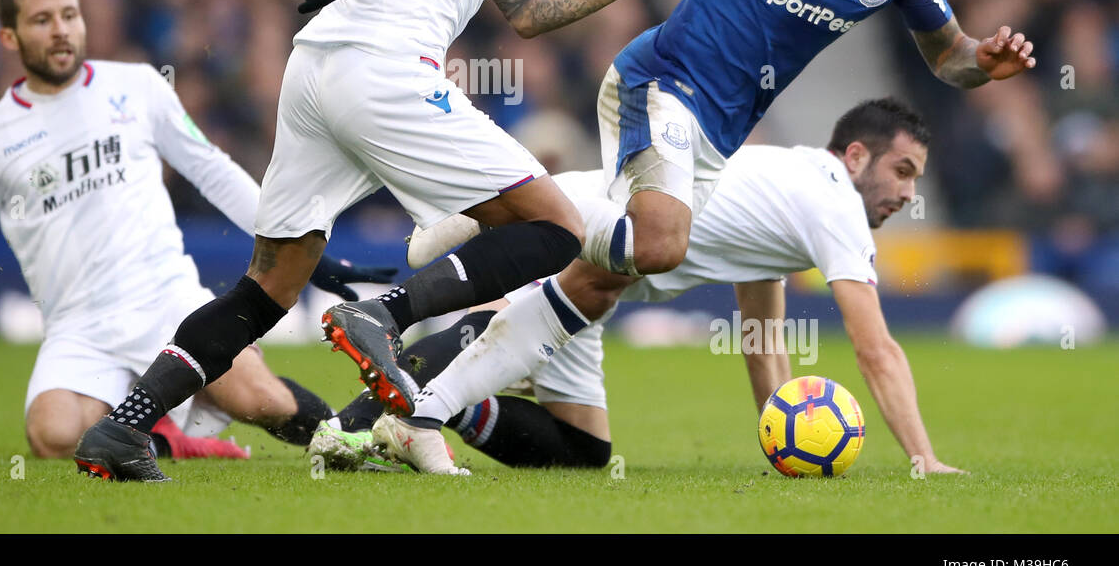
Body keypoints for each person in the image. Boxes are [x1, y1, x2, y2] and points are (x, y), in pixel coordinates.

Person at [74, 0, 704, 480]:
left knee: (267, 287)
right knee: (557, 227)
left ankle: (122, 429)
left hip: (317, 73)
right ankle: (382, 319)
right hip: (384, 69)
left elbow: (531, 7)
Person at [370, 0, 1037, 472]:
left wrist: (986, 60)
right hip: (659, 82)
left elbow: (950, 56)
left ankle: (425, 411)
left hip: (719, 136)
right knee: (660, 243)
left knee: (598, 283)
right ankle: (517, 210)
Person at [0, 0, 388, 468]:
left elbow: (211, 171)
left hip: (165, 301)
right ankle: (170, 438)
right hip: (78, 328)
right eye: (42, 20)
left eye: (69, 15)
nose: (61, 29)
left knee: (259, 401)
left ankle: (356, 439)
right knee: (53, 436)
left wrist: (295, 248)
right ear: (9, 36)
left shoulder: (136, 87)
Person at [315, 98, 964, 476]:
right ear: (856, 157)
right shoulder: (833, 204)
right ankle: (355, 425)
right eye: (902, 172)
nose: (908, 194)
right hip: (588, 224)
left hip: (600, 282)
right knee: (506, 321)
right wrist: (923, 458)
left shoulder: (786, 192)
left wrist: (783, 439)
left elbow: (764, 337)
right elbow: (875, 347)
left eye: (916, 179)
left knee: (585, 450)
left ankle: (431, 414)